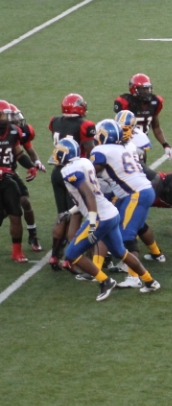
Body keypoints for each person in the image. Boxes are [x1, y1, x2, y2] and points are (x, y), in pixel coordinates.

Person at [53, 138, 159, 301]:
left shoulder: (69, 171)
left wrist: (93, 220)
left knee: (72, 253)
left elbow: (88, 194)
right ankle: (149, 280)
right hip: (111, 213)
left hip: (101, 217)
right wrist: (71, 211)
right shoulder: (85, 163)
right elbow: (90, 194)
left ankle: (105, 281)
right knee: (120, 252)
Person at [89, 120, 162, 289]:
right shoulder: (126, 147)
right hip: (136, 192)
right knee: (111, 227)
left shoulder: (101, 151)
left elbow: (92, 171)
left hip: (135, 194)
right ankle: (97, 269)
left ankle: (135, 277)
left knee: (127, 236)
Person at [46, 94, 96, 270]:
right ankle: (70, 258)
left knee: (62, 213)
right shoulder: (85, 125)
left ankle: (54, 256)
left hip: (58, 170)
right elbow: (91, 151)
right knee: (75, 215)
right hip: (74, 172)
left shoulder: (55, 121)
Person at [0, 101, 39, 262]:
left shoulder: (14, 131)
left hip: (8, 178)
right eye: (5, 115)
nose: (9, 118)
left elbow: (19, 153)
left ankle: (17, 251)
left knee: (16, 213)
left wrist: (31, 166)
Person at [113, 73, 171, 161]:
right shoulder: (125, 103)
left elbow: (156, 127)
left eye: (148, 89)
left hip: (141, 144)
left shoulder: (155, 102)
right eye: (143, 89)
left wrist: (165, 144)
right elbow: (118, 126)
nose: (146, 92)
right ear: (134, 89)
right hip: (125, 144)